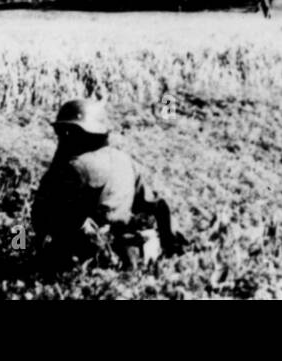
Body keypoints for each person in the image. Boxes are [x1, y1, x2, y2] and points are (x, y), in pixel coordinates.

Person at [32, 99, 185, 269]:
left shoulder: (73, 168)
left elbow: (42, 217)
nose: (63, 137)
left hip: (83, 261)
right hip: (129, 257)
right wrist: (172, 244)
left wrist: (20, 248)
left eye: (66, 132)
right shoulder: (124, 160)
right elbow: (157, 205)